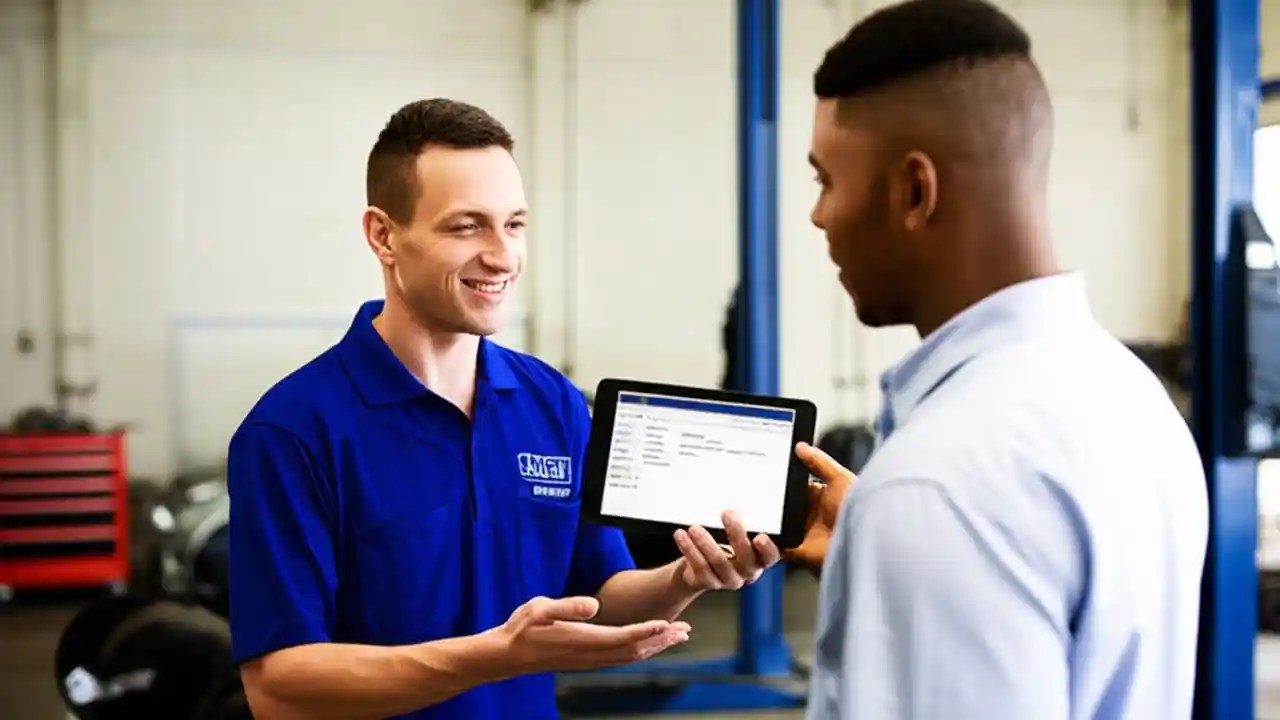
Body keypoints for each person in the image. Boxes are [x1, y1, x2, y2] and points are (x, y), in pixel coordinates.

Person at [225, 98, 783, 720]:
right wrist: (494, 657)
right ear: (383, 235)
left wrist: (685, 579)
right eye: (467, 227)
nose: (502, 256)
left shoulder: (552, 403)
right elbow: (278, 687)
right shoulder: (295, 431)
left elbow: (599, 596)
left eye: (514, 224)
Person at [789, 1, 1209, 718]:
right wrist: (887, 555)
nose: (819, 216)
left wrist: (913, 528)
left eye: (826, 180)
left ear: (914, 192)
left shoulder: (936, 485)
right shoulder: (1129, 397)